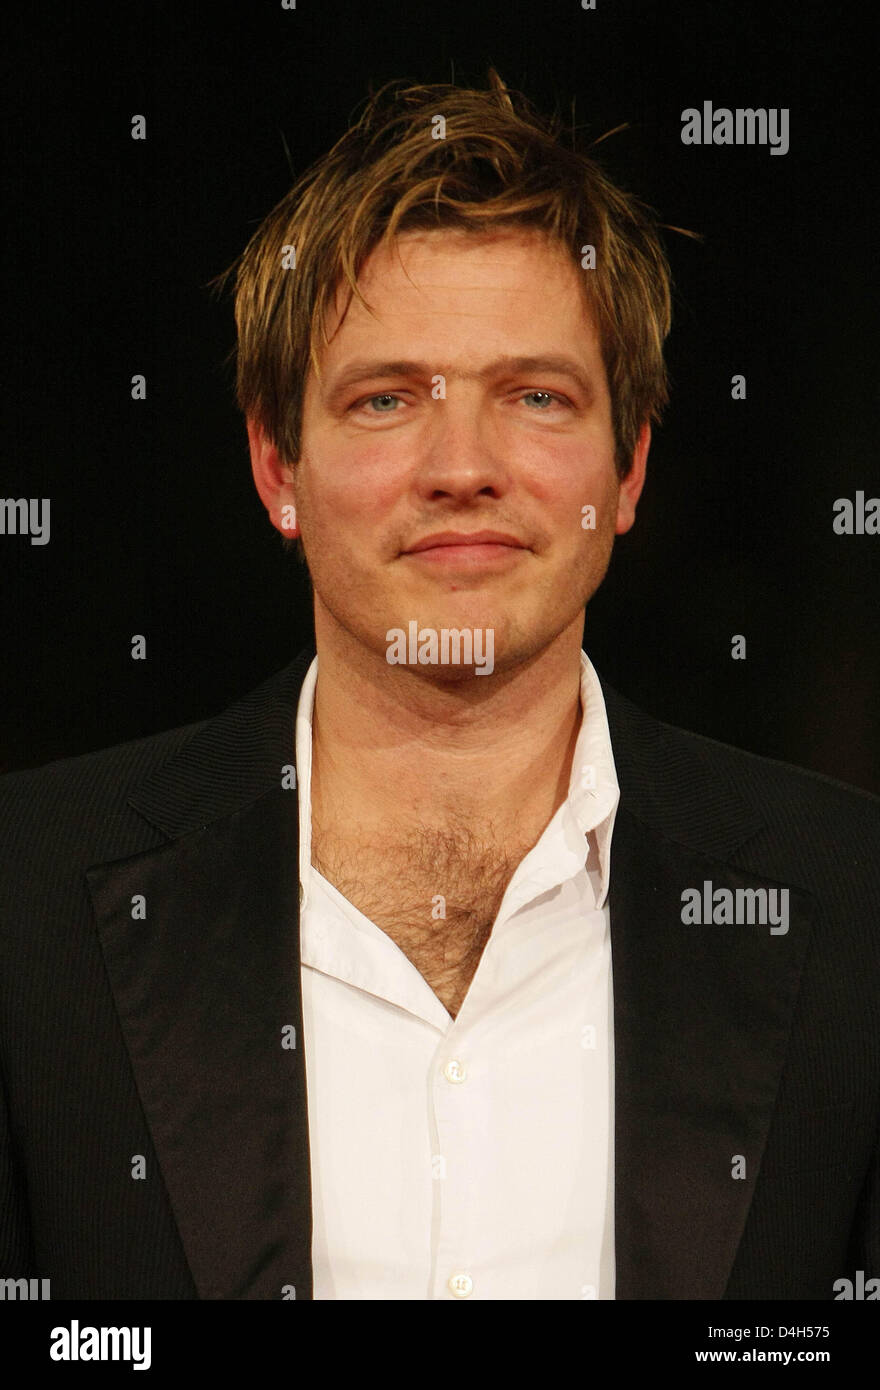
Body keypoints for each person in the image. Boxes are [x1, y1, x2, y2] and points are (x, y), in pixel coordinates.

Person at [1, 71, 877, 1302]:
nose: (461, 466)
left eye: (533, 395)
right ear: (276, 466)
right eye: (385, 399)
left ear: (626, 467)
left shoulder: (851, 907)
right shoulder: (26, 907)